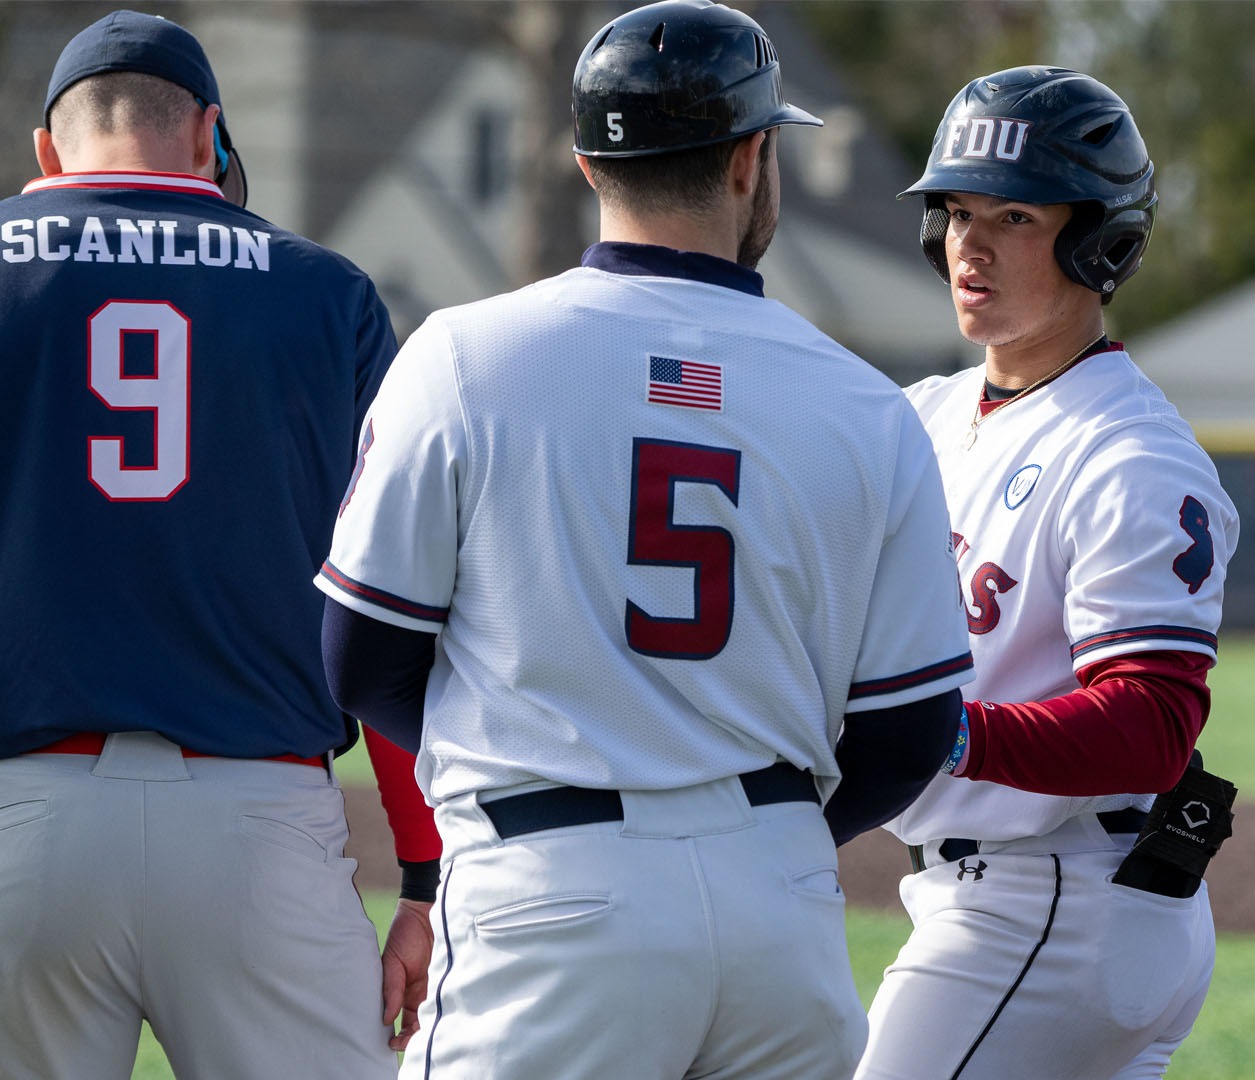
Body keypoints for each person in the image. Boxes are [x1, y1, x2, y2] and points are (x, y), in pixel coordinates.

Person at [315, 2, 974, 1076]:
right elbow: (911, 730)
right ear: (754, 158)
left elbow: (361, 655)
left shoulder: (466, 357)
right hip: (777, 896)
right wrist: (757, 827)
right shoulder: (864, 404)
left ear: (584, 161)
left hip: (549, 882)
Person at [0, 10, 440, 1079]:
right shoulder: (327, 292)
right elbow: (389, 598)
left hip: (19, 815)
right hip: (259, 819)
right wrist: (425, 875)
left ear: (47, 151)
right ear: (208, 135)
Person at [856, 67, 1242, 1080]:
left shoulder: (1128, 452)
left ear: (1099, 242)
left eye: (1014, 215)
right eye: (955, 211)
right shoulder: (922, 416)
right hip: (1023, 899)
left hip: (1057, 899)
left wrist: (937, 735)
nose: (967, 246)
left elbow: (1153, 725)